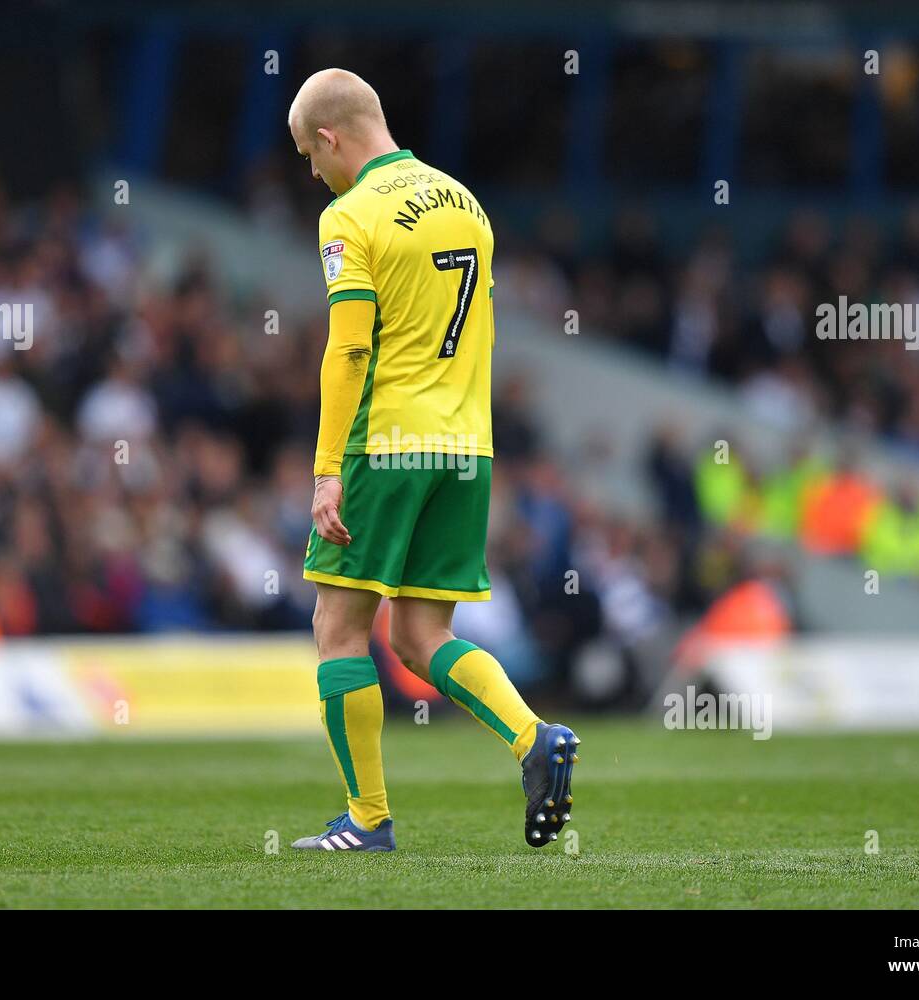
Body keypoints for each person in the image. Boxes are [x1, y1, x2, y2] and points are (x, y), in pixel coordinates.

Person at [287, 68, 579, 852]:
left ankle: (368, 820)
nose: (312, 176)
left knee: (339, 628)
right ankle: (533, 738)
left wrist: (324, 469)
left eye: (308, 158)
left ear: (329, 138)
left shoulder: (348, 216)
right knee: (420, 636)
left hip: (386, 443)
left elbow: (349, 348)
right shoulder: (466, 203)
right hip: (466, 450)